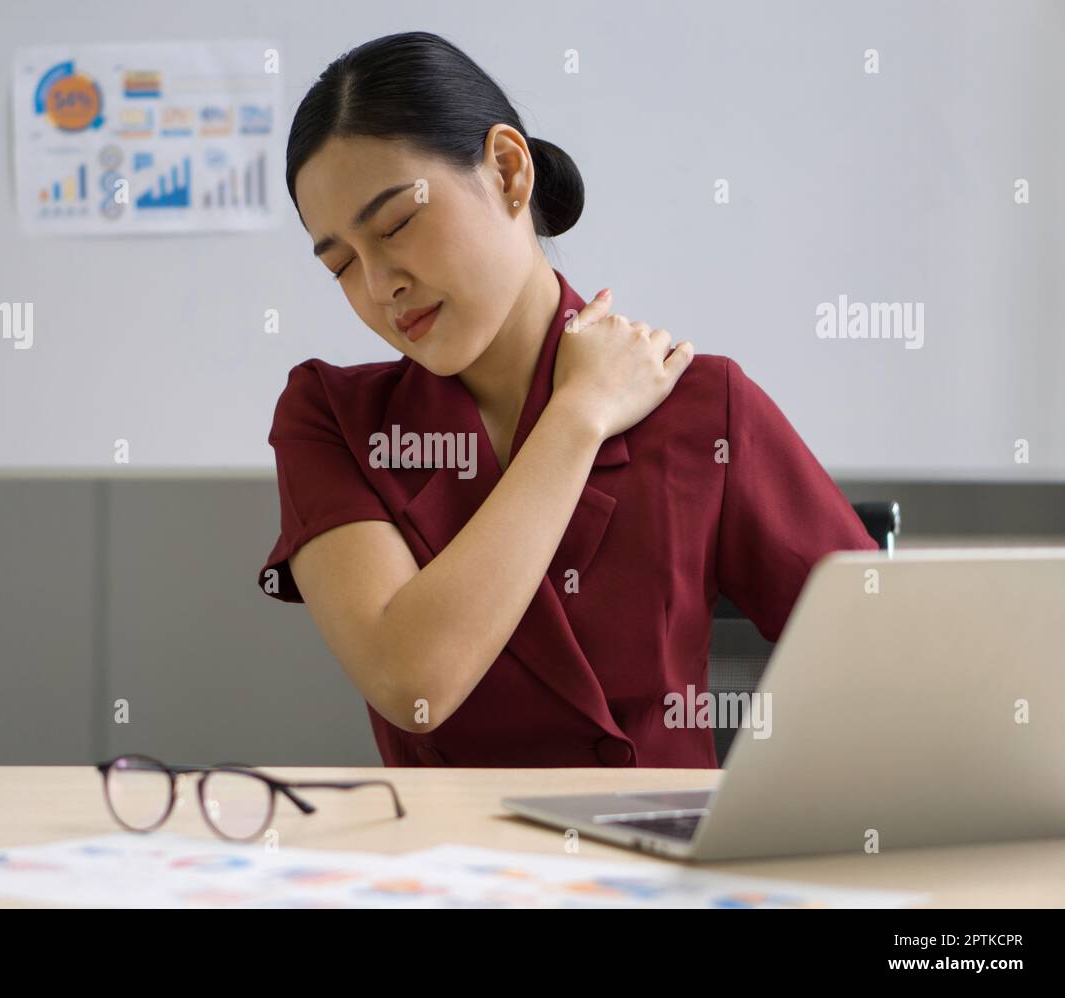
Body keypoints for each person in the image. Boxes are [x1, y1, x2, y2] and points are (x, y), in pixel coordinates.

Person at [257, 31, 877, 767]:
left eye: (397, 224)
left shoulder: (704, 406)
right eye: (341, 266)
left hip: (662, 870)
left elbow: (889, 659)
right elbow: (412, 677)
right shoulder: (329, 418)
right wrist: (577, 418)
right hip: (444, 873)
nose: (379, 285)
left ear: (509, 172)